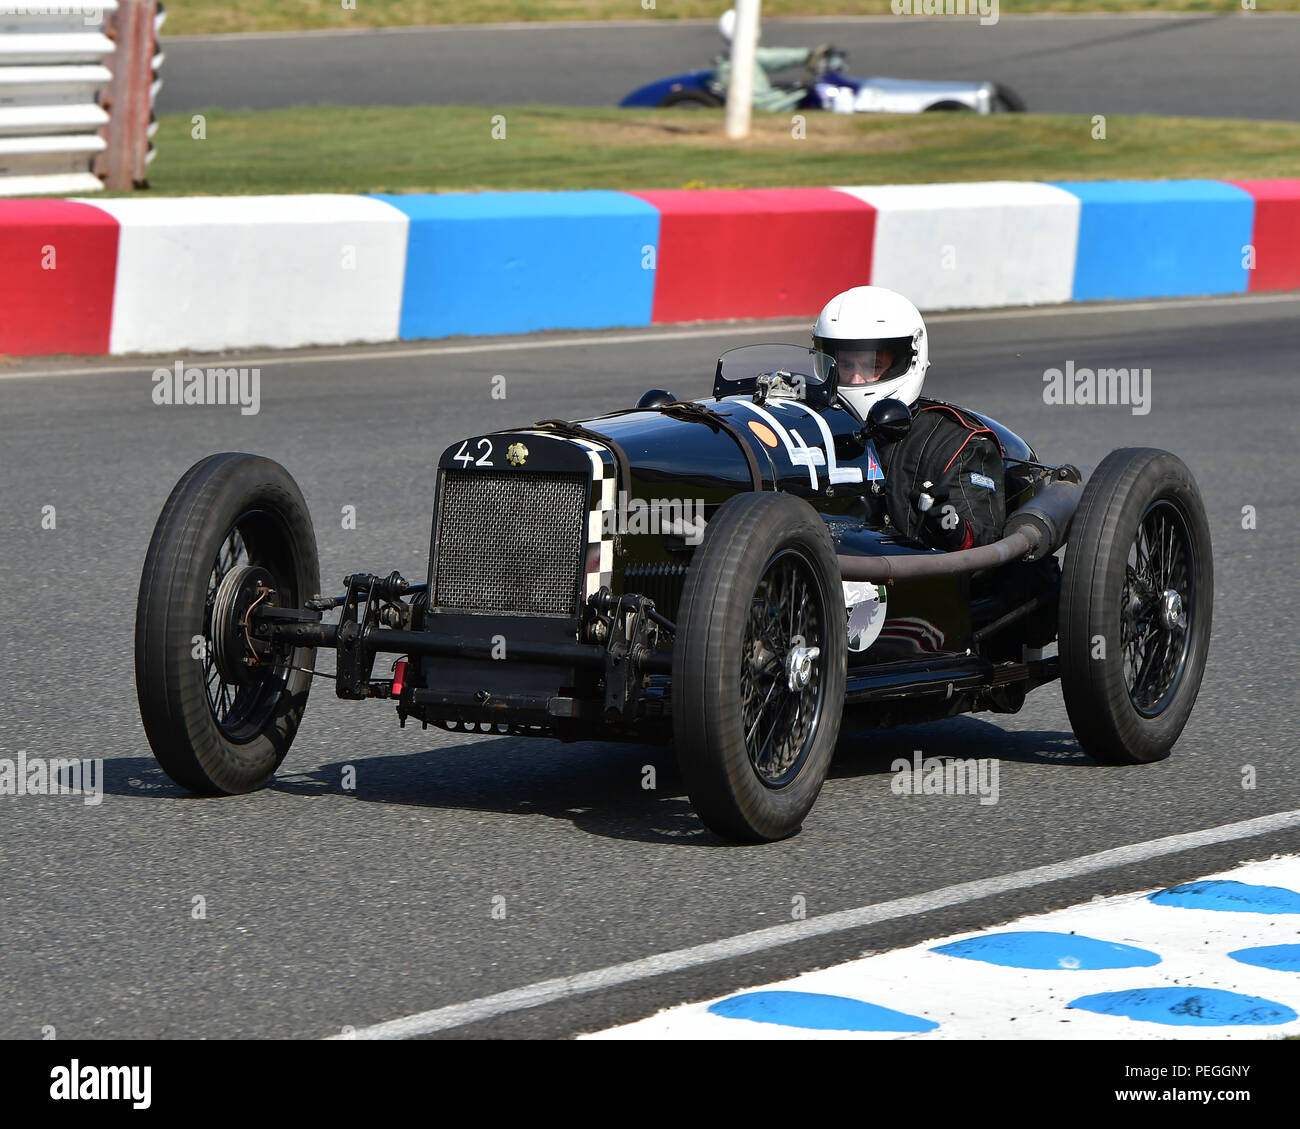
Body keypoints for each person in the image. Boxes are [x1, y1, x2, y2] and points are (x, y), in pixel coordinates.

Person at [812, 285, 1006, 552]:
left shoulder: (958, 445)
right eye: (845, 366)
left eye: (872, 366)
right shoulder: (817, 429)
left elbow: (984, 542)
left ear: (909, 359)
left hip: (917, 583)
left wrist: (947, 521)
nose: (855, 380)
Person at [714, 8, 831, 114]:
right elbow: (760, 103)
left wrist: (808, 55)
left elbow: (776, 58)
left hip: (769, 103)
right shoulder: (733, 63)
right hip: (769, 108)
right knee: (813, 98)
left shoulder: (735, 58)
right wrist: (794, 93)